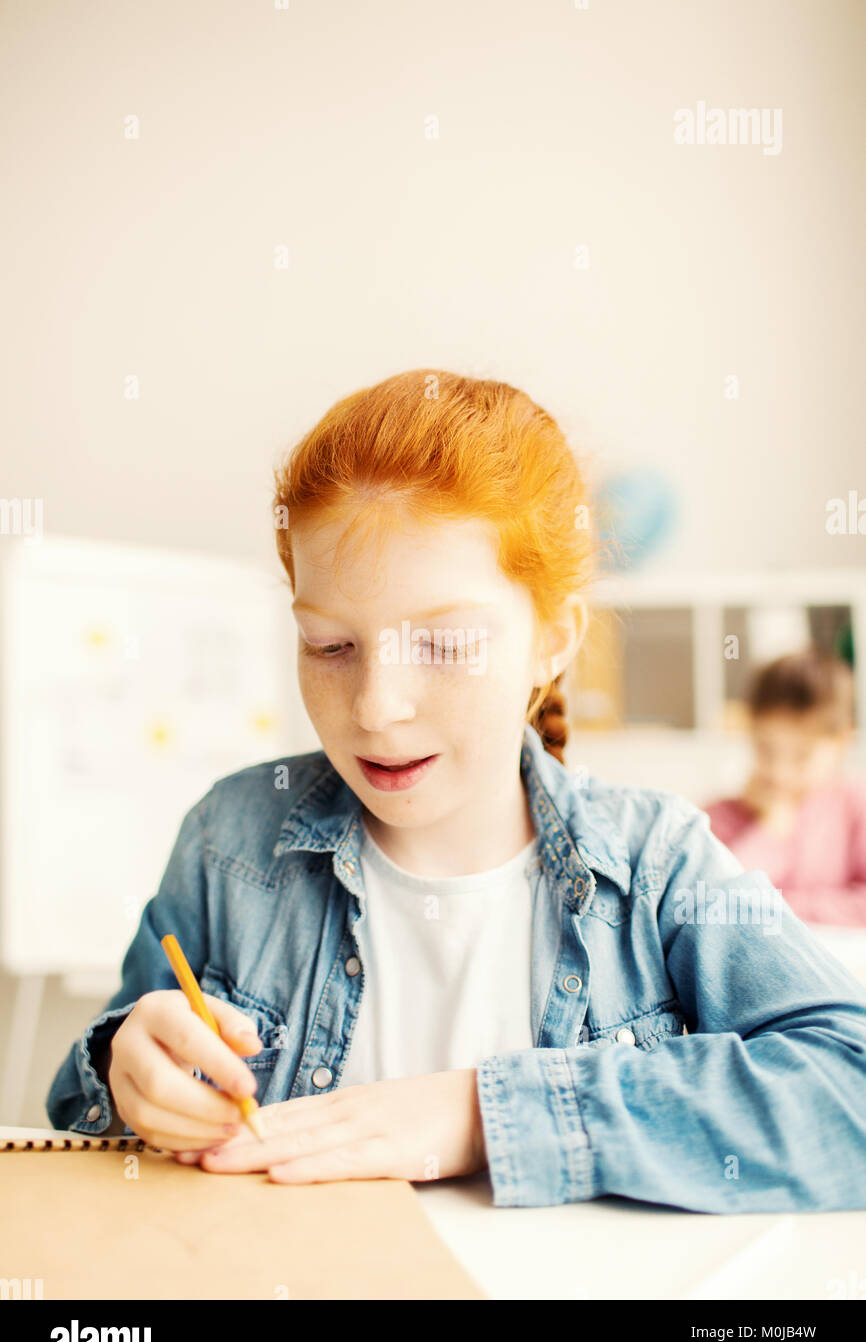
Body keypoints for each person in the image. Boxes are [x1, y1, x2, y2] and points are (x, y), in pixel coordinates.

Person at [47, 370, 866, 1211]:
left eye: (442, 646)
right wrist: (125, 1072)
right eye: (330, 646)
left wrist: (485, 1114)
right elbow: (89, 1114)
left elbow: (850, 1090)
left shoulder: (656, 862)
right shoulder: (230, 843)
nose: (376, 708)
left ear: (552, 641)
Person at [705, 649, 866, 926]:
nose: (780, 771)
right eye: (765, 749)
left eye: (802, 755)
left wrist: (774, 908)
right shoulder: (721, 817)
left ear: (842, 741)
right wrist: (772, 830)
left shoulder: (856, 807)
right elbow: (715, 904)